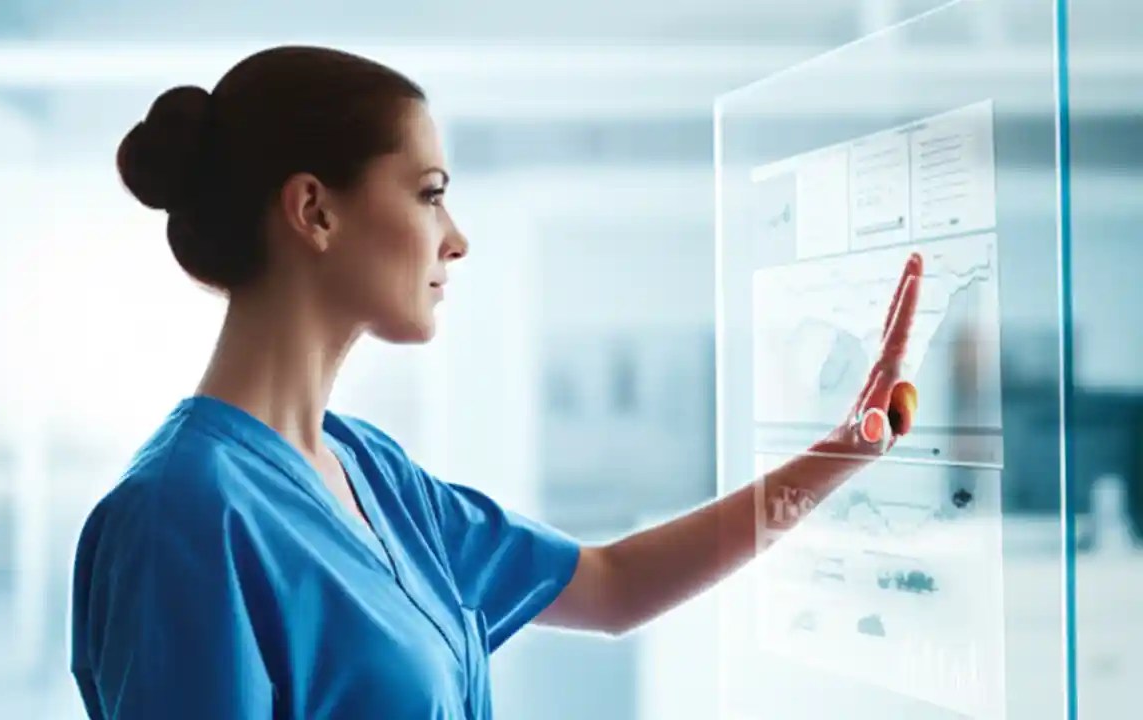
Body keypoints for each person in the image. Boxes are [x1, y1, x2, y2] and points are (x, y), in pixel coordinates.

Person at [69, 45, 923, 720]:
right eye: (429, 194)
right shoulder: (180, 516)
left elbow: (611, 585)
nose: (456, 238)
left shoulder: (370, 471)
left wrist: (843, 452)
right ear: (315, 211)